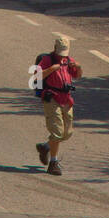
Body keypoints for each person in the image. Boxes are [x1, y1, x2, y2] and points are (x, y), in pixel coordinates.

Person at [34, 34, 82, 176]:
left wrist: (78, 67)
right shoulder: (47, 60)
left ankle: (45, 147)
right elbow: (36, 76)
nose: (62, 57)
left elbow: (77, 76)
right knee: (57, 132)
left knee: (67, 133)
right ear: (55, 48)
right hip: (52, 97)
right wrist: (51, 69)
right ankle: (53, 163)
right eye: (60, 53)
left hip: (66, 98)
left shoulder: (69, 61)